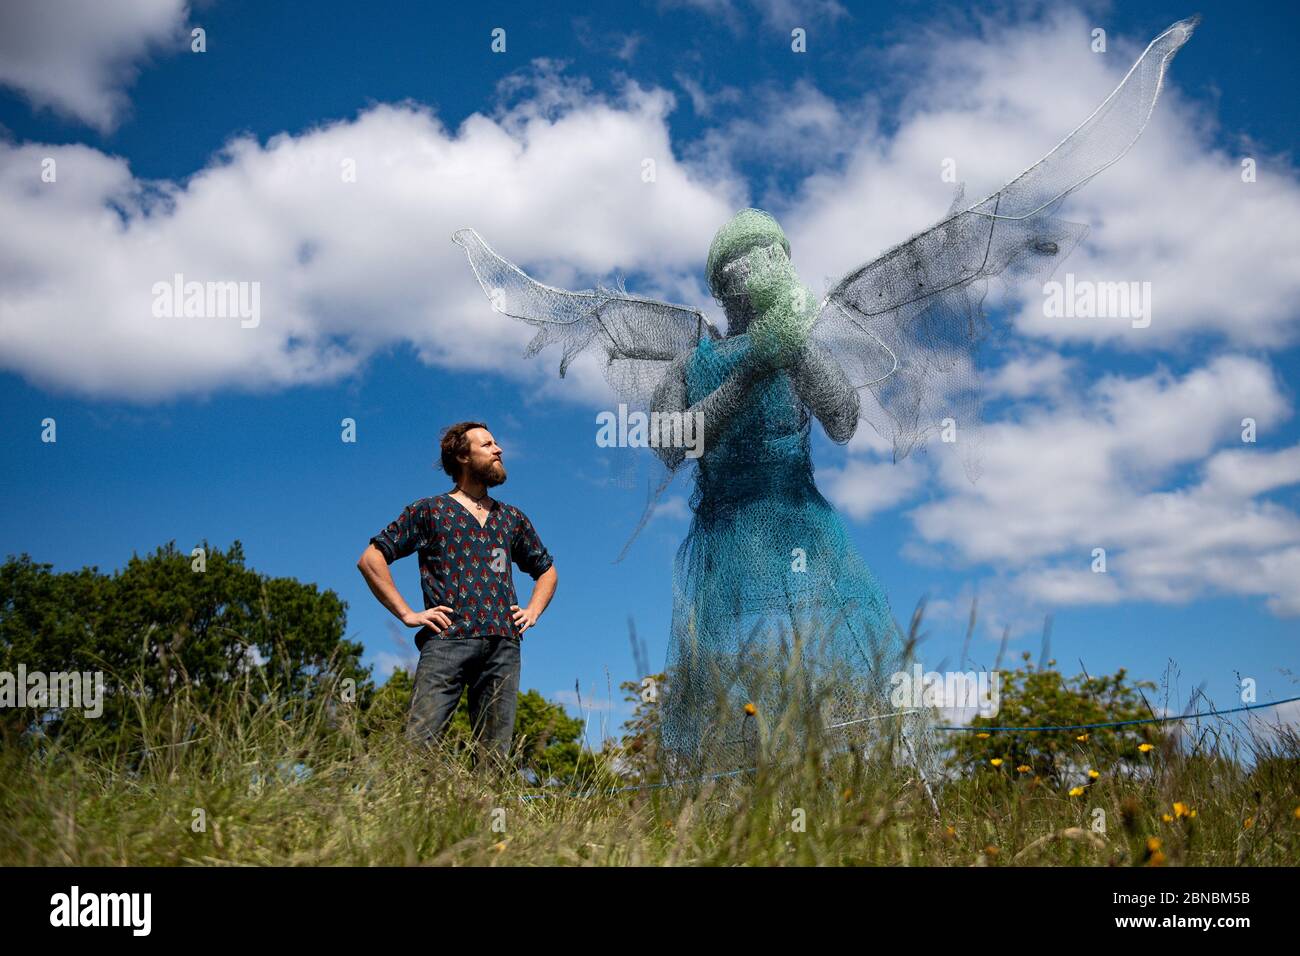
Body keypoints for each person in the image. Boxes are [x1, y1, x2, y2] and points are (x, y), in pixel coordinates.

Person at [356, 421, 557, 765]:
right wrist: (408, 614)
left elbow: (546, 570)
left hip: (503, 645)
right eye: (488, 444)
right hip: (447, 639)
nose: (499, 450)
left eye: (497, 444)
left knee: (493, 759)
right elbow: (371, 558)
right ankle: (409, 815)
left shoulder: (511, 518)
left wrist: (533, 611)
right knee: (418, 746)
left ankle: (484, 818)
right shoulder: (429, 511)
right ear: (463, 455)